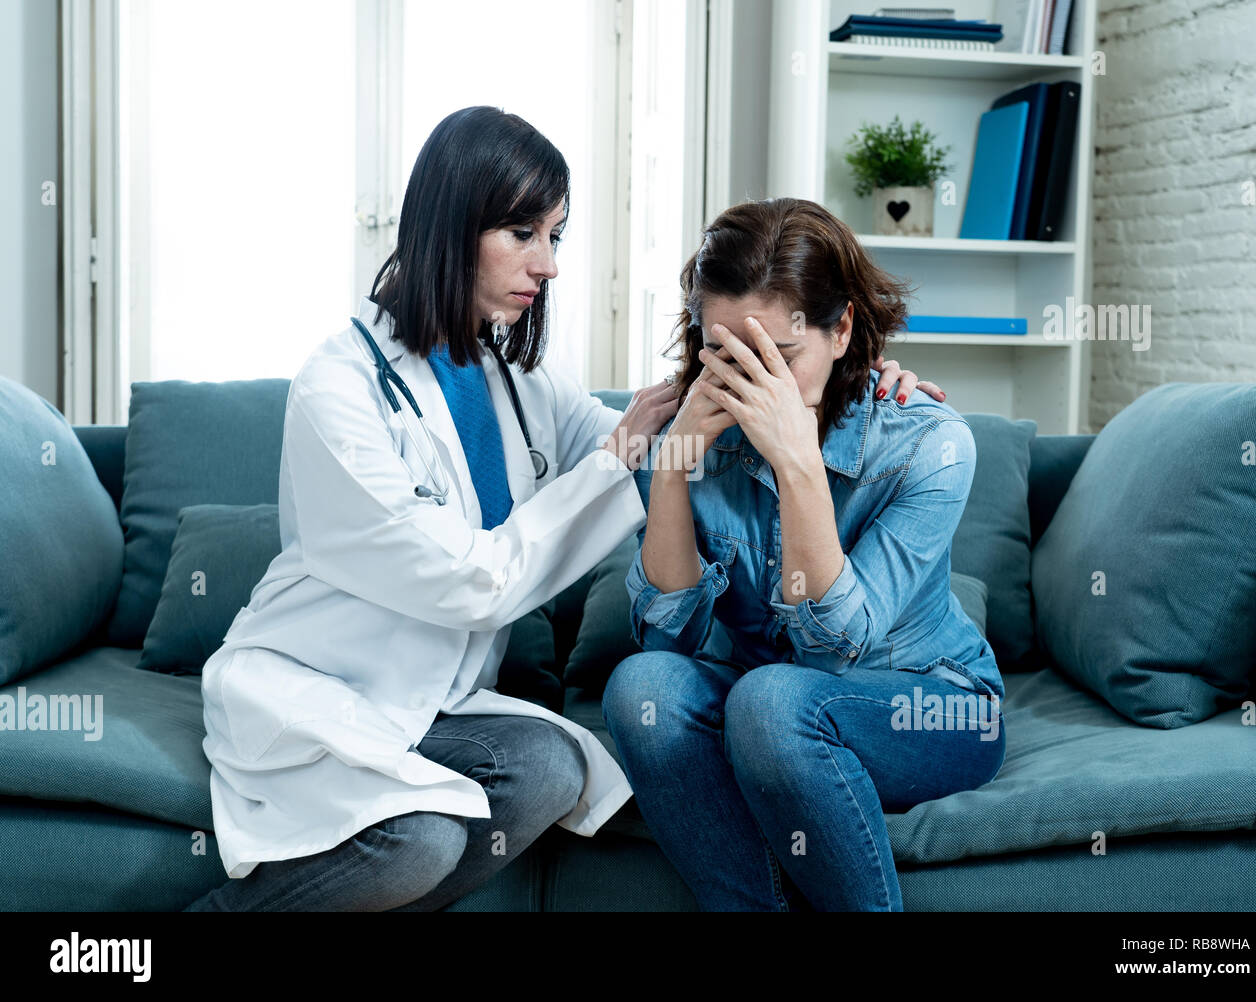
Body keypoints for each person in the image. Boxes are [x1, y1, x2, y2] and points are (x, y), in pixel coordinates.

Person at [186, 108, 940, 912]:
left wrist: (846, 376)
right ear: (450, 225)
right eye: (523, 234)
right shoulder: (339, 388)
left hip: (428, 706)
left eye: (556, 236)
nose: (547, 264)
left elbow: (657, 433)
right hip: (318, 687)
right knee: (421, 839)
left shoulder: (516, 377)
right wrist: (625, 456)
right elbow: (469, 578)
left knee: (551, 769)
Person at [602, 197, 1005, 912]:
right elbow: (669, 637)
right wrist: (671, 465)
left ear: (842, 328)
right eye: (725, 353)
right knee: (643, 690)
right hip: (766, 699)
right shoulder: (687, 428)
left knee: (771, 702)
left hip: (929, 704)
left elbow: (835, 650)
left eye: (779, 356)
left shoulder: (929, 445)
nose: (750, 382)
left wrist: (798, 461)